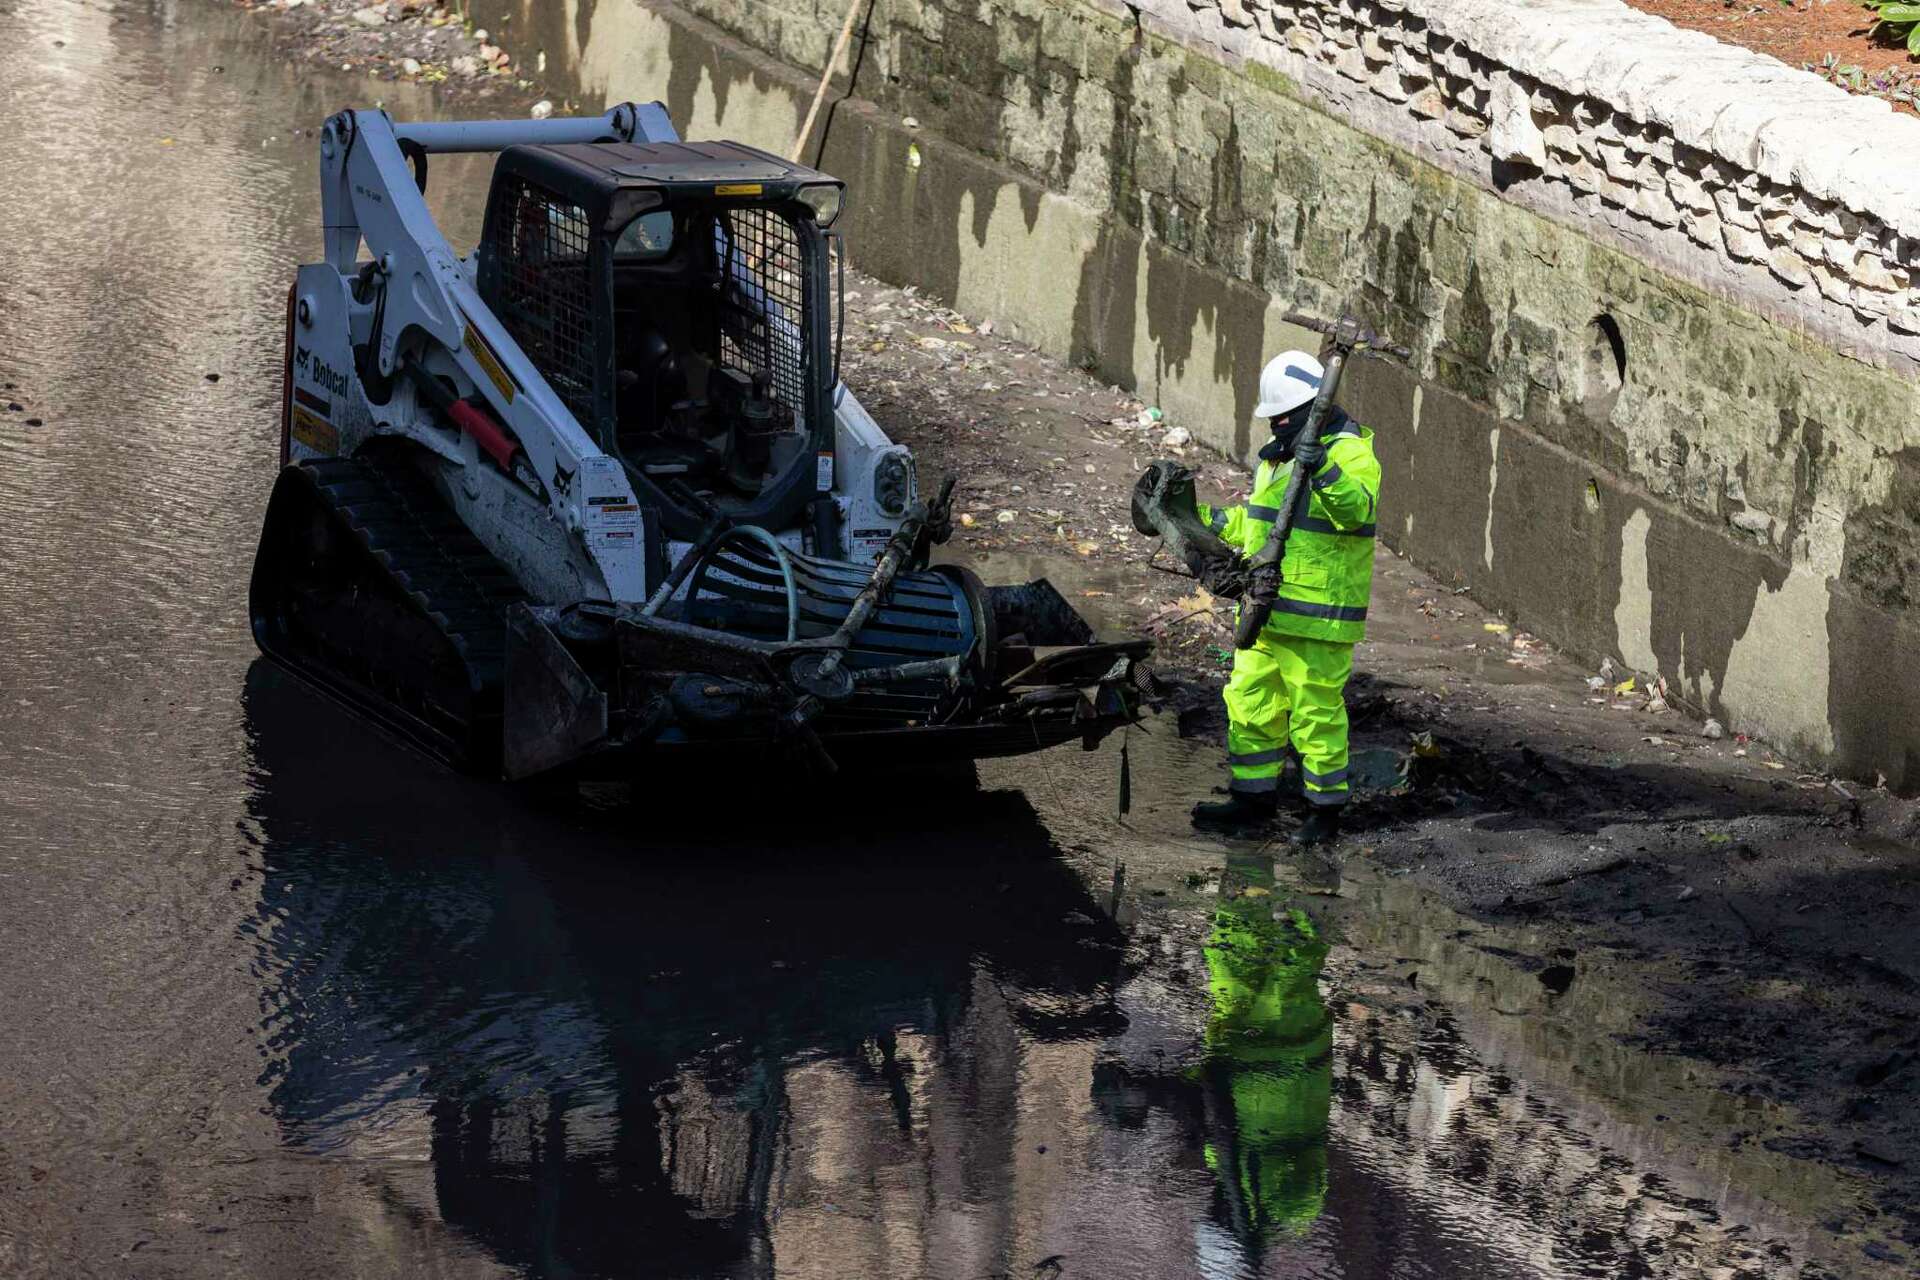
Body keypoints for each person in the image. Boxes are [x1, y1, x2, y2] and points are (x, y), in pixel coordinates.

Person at [1192, 350, 1382, 845]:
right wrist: (1204, 520)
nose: (1275, 427)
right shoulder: (1278, 460)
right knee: (1250, 701)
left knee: (1315, 714)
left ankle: (1324, 812)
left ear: (1308, 411)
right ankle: (1251, 799)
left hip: (1318, 618)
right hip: (1266, 610)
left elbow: (1356, 513)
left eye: (1282, 418)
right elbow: (1259, 523)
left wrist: (1324, 470)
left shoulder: (1349, 454)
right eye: (1272, 420)